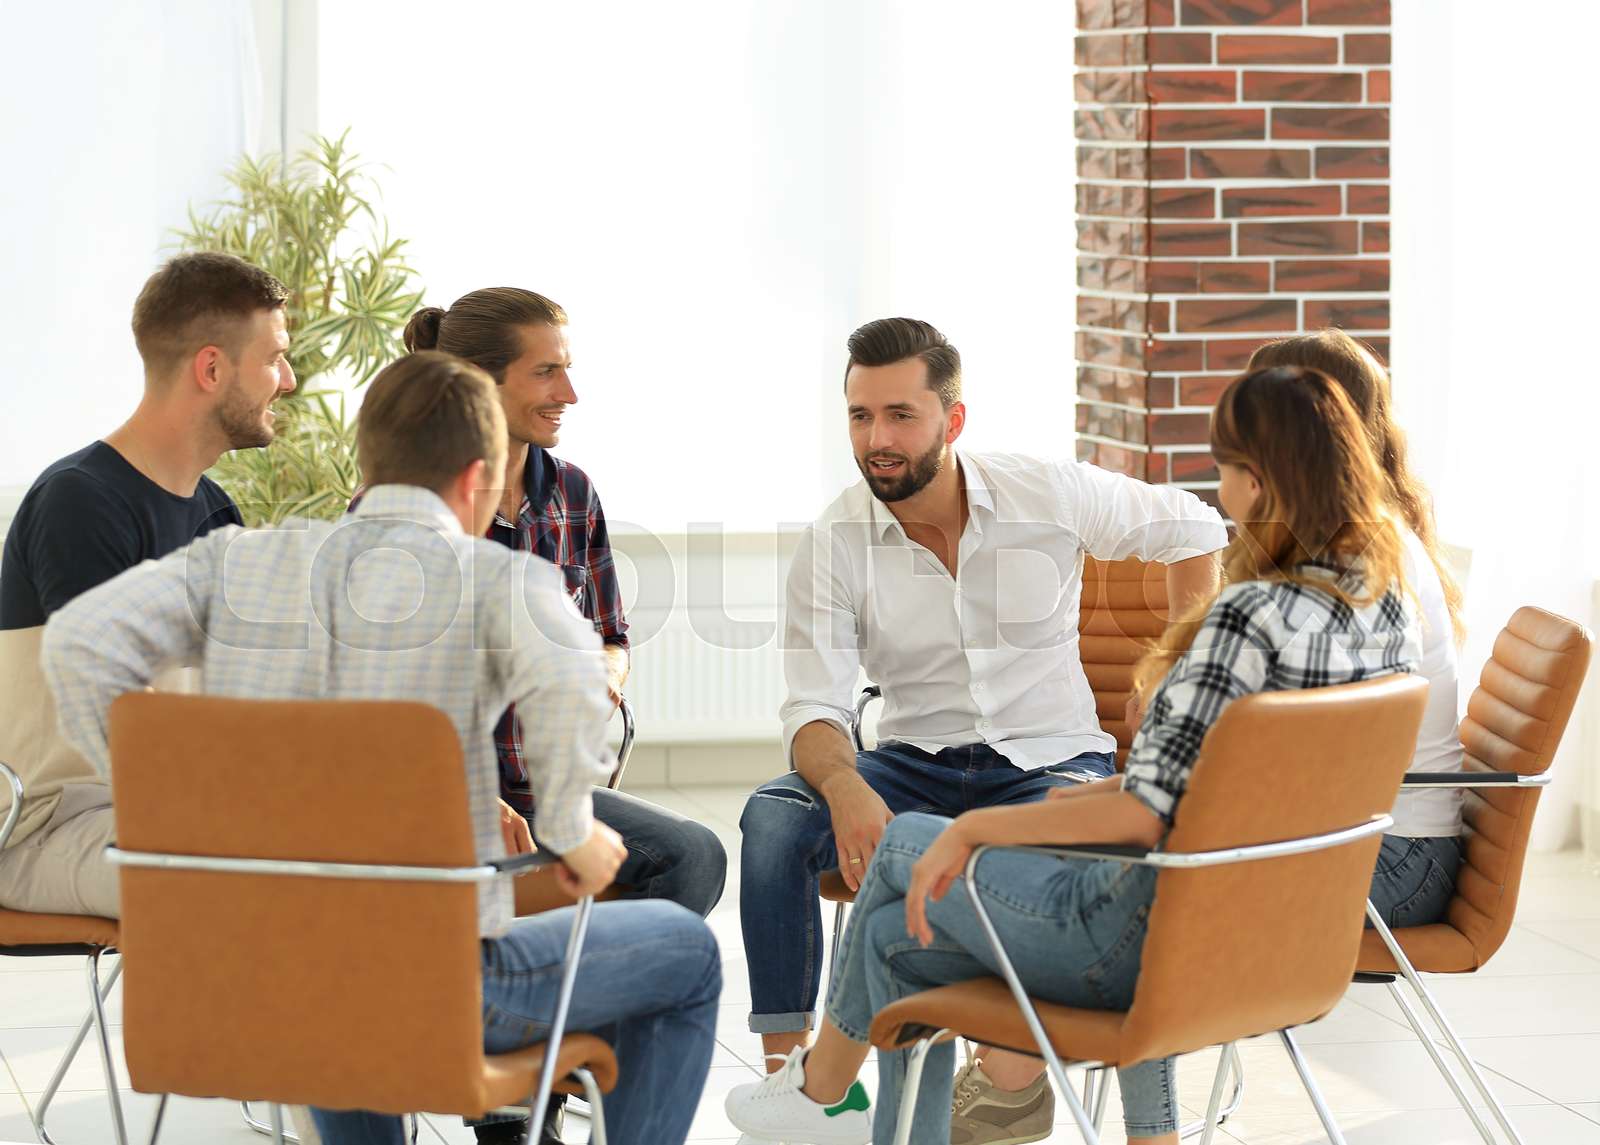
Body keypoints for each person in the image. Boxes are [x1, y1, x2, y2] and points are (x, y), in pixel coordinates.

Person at [725, 363, 1423, 1145]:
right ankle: (1100, 1123)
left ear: (1258, 479)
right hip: (1272, 927)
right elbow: (1183, 804)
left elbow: (1144, 814)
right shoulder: (1384, 599)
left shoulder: (1239, 624)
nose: (877, 438)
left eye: (1224, 468)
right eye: (860, 415)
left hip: (1138, 929)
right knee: (880, 901)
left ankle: (821, 1093)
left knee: (905, 877)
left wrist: (975, 830)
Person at [40, 351, 720, 1145]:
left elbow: (78, 643)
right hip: (431, 993)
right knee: (689, 951)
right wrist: (572, 827)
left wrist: (159, 794)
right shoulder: (499, 581)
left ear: (370, 464)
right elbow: (574, 665)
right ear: (478, 478)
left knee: (330, 991)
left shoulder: (231, 563)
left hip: (248, 986)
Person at [738, 317, 1228, 1135]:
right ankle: (799, 1087)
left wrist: (1179, 667)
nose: (876, 440)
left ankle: (1004, 1062)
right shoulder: (834, 541)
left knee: (1023, 858)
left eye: (900, 415)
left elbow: (1196, 525)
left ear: (952, 419)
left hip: (1050, 762)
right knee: (773, 820)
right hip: (910, 762)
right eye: (860, 416)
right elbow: (814, 707)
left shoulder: (1046, 493)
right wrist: (844, 781)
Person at [401, 289, 728, 1143]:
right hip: (447, 798)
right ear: (480, 383)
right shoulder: (412, 508)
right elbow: (395, 705)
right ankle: (523, 1092)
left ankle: (530, 1083)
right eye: (546, 371)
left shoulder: (571, 493)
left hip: (552, 785)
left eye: (567, 369)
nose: (568, 394)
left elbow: (612, 634)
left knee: (690, 856)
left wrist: (602, 675)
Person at [0, 251, 294, 918]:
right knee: (267, 870)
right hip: (49, 825)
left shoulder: (218, 514)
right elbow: (122, 712)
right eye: (274, 356)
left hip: (162, 814)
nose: (290, 379)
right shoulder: (78, 501)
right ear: (212, 369)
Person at [1249, 329, 1466, 925]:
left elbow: (1312, 731)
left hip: (1392, 859)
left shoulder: (1355, 552)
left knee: (1133, 892)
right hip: (1369, 839)